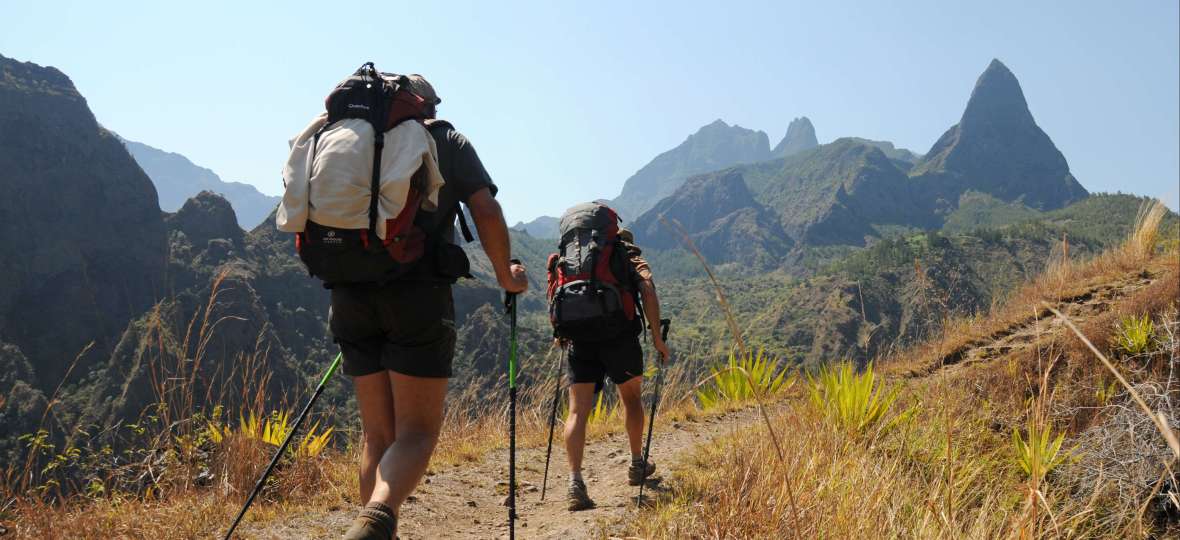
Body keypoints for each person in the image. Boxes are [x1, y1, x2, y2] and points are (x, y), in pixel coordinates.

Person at [340, 75, 528, 540]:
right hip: (417, 299)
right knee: (417, 433)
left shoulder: (351, 140)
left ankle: (376, 528)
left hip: (347, 293)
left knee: (377, 437)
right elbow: (485, 209)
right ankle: (373, 523)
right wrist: (507, 276)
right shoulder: (445, 139)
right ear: (424, 105)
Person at [559, 226, 670, 511]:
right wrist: (657, 338)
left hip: (581, 338)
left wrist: (561, 332)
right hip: (620, 338)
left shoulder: (575, 258)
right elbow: (647, 289)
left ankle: (575, 482)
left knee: (577, 411)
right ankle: (636, 463)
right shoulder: (630, 257)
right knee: (631, 400)